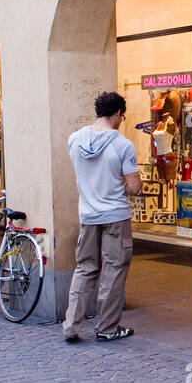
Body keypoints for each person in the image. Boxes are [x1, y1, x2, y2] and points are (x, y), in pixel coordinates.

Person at [63, 91, 140, 343]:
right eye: (123, 115)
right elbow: (133, 187)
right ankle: (107, 328)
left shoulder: (75, 140)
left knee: (85, 268)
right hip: (115, 215)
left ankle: (71, 326)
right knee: (113, 270)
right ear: (118, 113)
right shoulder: (123, 145)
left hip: (88, 214)